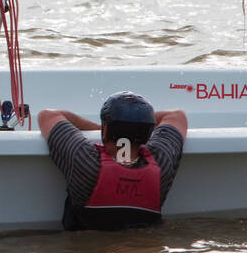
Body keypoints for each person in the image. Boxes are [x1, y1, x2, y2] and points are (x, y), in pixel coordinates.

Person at [38, 92, 187, 231]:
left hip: (89, 251)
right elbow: (176, 116)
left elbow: (48, 115)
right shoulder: (162, 163)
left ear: (106, 129)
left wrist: (99, 126)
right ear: (148, 131)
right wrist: (138, 121)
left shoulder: (84, 161)